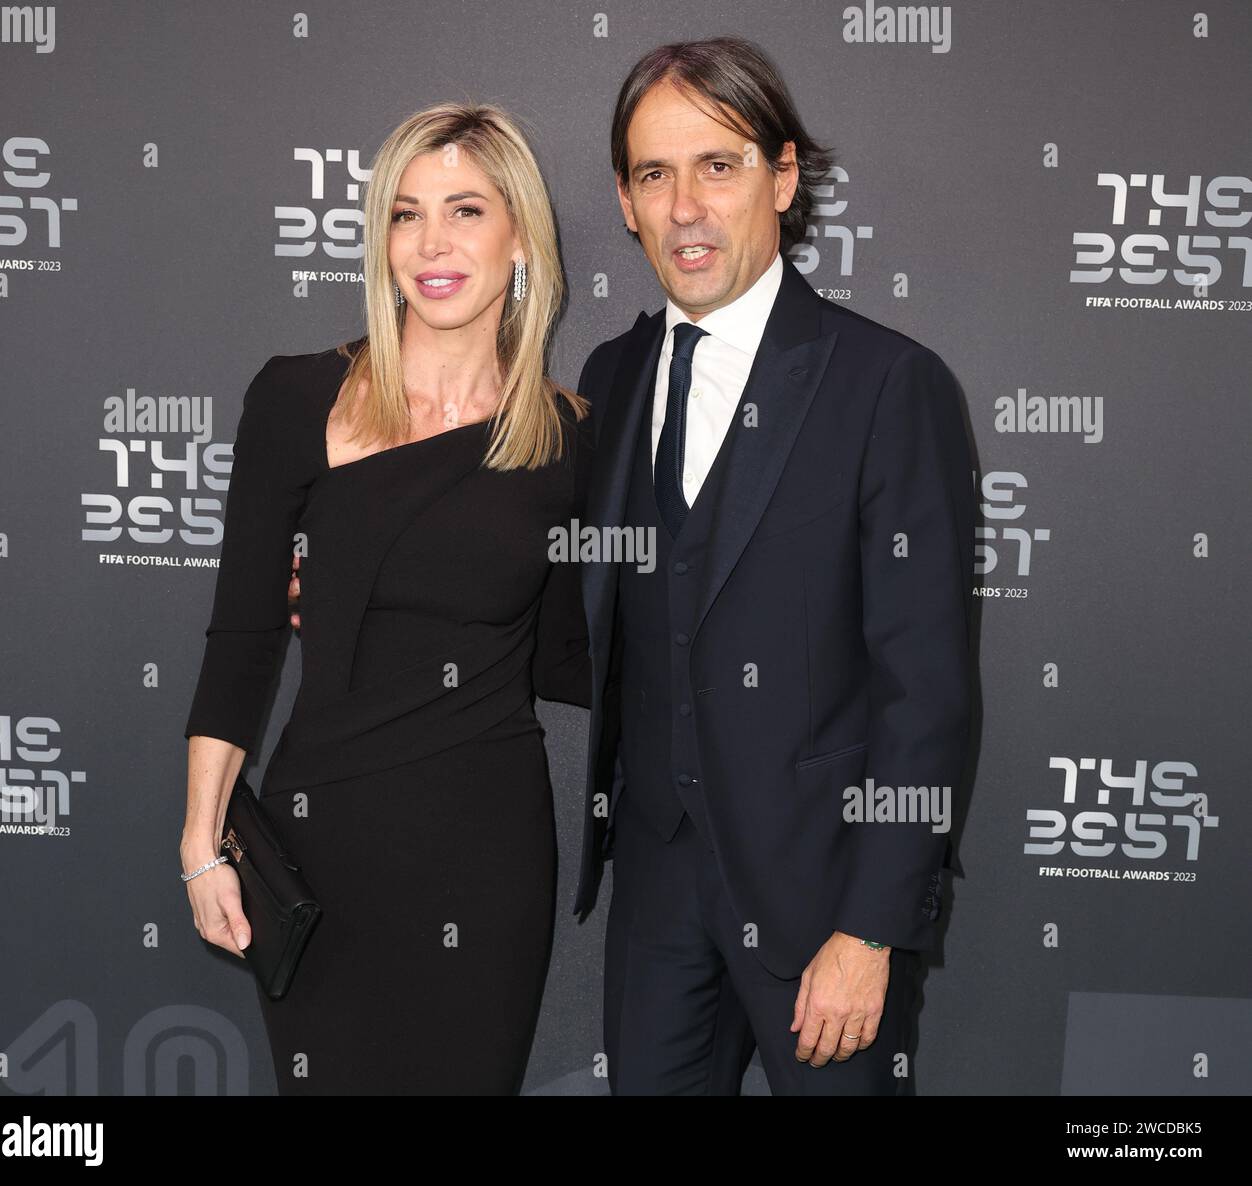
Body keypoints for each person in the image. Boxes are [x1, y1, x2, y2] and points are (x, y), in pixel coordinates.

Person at [570, 37, 975, 1095]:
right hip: (657, 892)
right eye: (654, 174)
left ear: (782, 176)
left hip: (823, 904)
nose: (685, 207)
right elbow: (578, 613)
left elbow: (923, 691)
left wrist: (871, 929)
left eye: (720, 164)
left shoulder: (887, 384)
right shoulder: (609, 379)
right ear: (623, 200)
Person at [179, 102, 592, 1095]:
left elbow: (581, 653)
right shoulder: (296, 400)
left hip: (487, 850)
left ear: (521, 235)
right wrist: (202, 839)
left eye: (464, 210)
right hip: (327, 841)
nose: (432, 244)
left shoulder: (572, 439)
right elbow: (241, 637)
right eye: (406, 214)